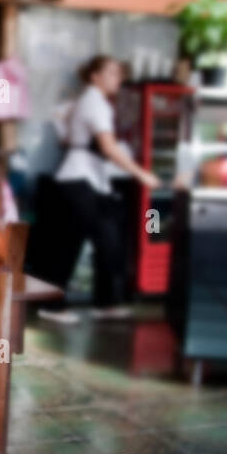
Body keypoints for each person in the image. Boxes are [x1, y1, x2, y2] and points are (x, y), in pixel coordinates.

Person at [38, 55, 161, 325]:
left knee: (96, 240)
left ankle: (102, 303)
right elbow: (108, 147)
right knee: (79, 243)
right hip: (78, 179)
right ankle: (56, 305)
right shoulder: (95, 103)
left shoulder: (87, 102)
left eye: (119, 73)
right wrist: (142, 174)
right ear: (95, 76)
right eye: (112, 73)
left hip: (83, 179)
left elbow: (68, 139)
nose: (118, 79)